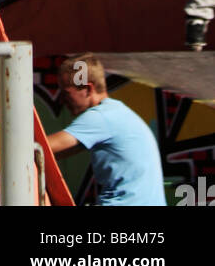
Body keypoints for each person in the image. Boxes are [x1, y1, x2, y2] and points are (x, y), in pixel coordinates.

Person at [47, 54, 166, 206]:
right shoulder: (117, 112)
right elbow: (52, 154)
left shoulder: (100, 118)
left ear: (88, 89)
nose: (62, 101)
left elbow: (41, 147)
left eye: (66, 94)